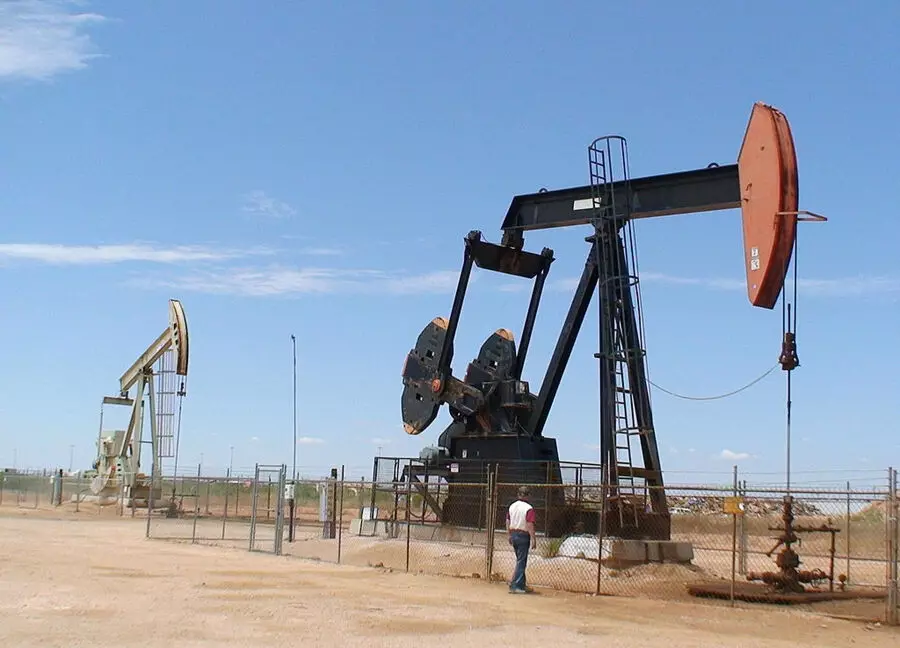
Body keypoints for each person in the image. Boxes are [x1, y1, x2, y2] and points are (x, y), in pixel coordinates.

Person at [506, 485, 536, 594]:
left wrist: (509, 534)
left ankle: (521, 584)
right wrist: (533, 538)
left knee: (519, 560)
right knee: (521, 561)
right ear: (528, 496)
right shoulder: (528, 508)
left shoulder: (512, 506)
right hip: (523, 535)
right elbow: (529, 524)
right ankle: (516, 585)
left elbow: (508, 521)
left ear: (518, 495)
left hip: (513, 533)